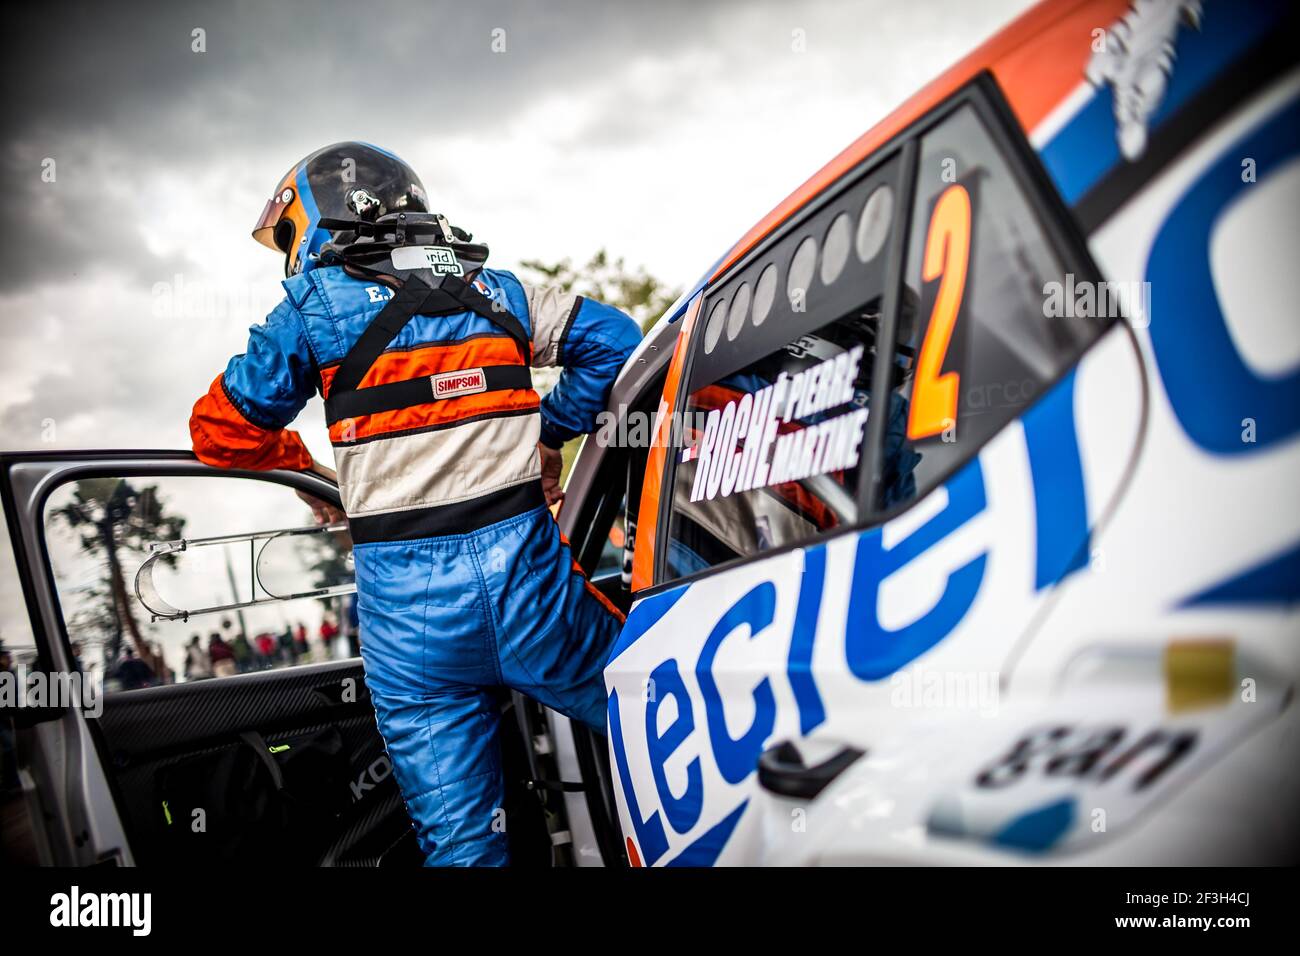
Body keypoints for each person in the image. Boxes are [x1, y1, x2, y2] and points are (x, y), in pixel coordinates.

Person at [189, 142, 639, 865]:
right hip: (534, 591)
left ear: (320, 221)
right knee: (665, 720)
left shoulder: (308, 307)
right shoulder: (503, 290)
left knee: (463, 849)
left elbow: (219, 433)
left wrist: (300, 464)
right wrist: (547, 434)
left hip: (411, 624)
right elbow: (616, 343)